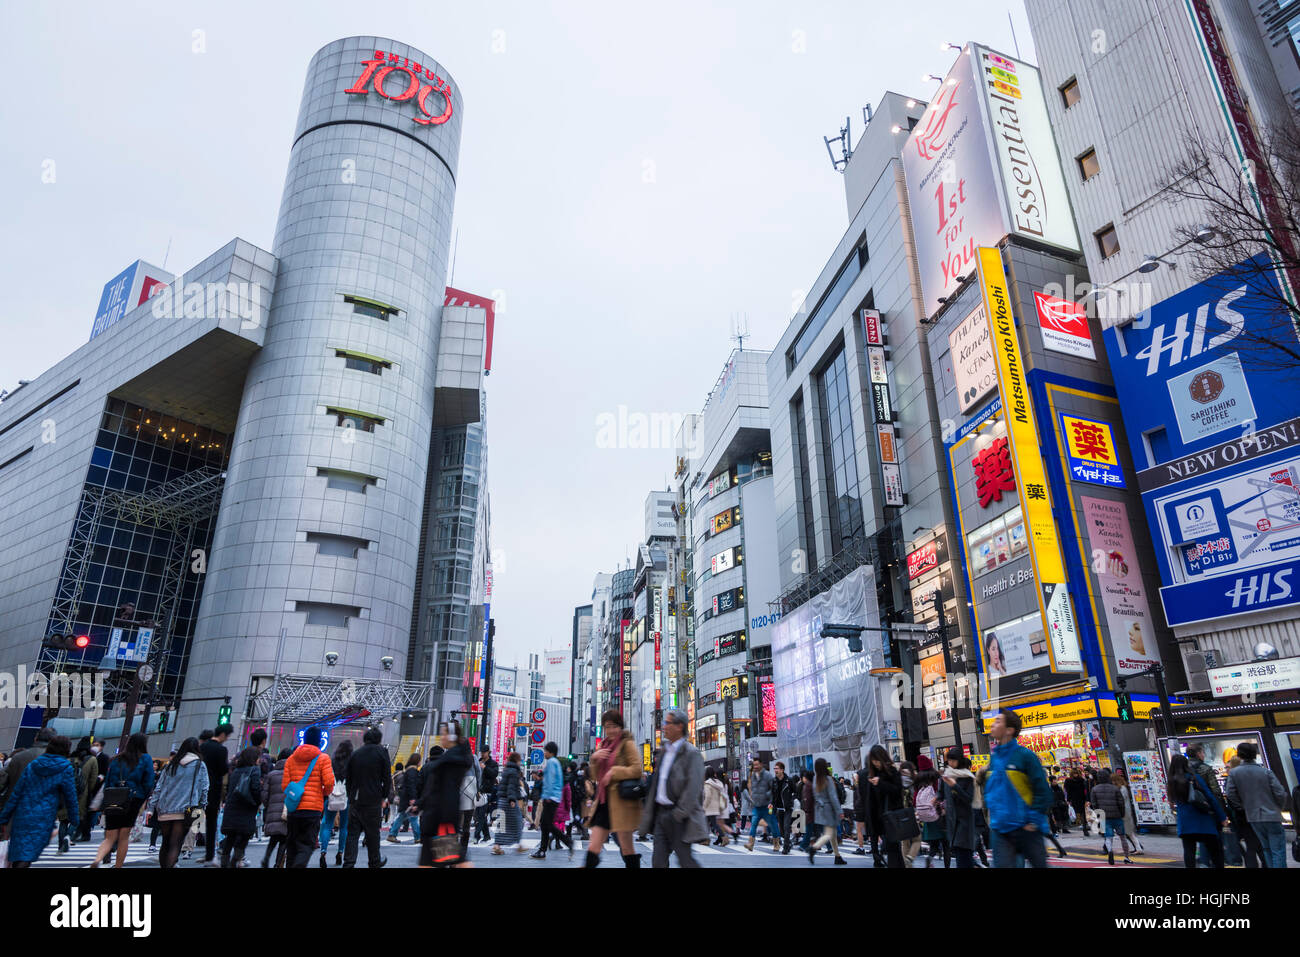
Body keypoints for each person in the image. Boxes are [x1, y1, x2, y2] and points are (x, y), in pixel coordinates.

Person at [985, 709, 1053, 868]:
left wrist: (1033, 820)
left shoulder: (1025, 756)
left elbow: (1043, 791)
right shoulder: (993, 759)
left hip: (1027, 828)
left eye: (998, 721)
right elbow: (990, 793)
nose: (992, 724)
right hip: (1000, 830)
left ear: (1009, 730)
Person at [639, 708, 706, 868]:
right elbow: (657, 784)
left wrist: (679, 813)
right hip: (662, 814)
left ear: (680, 727)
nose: (664, 726)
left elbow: (694, 788)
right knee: (658, 861)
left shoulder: (692, 753)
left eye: (668, 723)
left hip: (679, 817)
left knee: (685, 860)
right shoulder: (664, 751)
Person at [0, 734, 78, 867]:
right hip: (44, 816)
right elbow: (70, 795)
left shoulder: (33, 765)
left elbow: (17, 792)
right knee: (28, 853)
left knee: (19, 853)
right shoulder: (65, 768)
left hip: (23, 813)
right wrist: (74, 818)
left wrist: (5, 817)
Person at [583, 709, 643, 868]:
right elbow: (596, 777)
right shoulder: (603, 745)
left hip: (622, 804)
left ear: (620, 727)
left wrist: (615, 772)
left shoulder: (626, 744)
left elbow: (637, 769)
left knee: (627, 848)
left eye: (614, 726)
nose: (611, 730)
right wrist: (594, 759)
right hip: (603, 803)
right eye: (607, 727)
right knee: (593, 847)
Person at [89, 733, 154, 869]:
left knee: (110, 836)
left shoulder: (116, 759)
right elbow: (148, 782)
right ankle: (118, 866)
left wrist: (107, 799)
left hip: (114, 798)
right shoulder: (145, 759)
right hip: (133, 800)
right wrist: (142, 798)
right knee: (124, 837)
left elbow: (108, 781)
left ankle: (97, 859)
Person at [1224, 740, 1290, 868]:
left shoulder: (1234, 773)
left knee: (1266, 848)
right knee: (1278, 849)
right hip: (1271, 814)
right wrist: (1278, 807)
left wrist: (1243, 805)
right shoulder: (1265, 772)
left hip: (1252, 815)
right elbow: (1280, 793)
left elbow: (1230, 794)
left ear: (1240, 755)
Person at [146, 737, 209, 869]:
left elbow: (159, 787)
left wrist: (151, 807)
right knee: (176, 844)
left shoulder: (171, 765)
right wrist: (202, 806)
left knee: (165, 843)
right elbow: (204, 788)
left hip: (165, 808)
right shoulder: (199, 765)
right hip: (186, 810)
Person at [417, 721, 472, 867]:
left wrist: (443, 818)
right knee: (454, 860)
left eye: (443, 734)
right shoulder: (453, 758)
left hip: (440, 817)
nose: (441, 737)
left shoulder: (450, 761)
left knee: (455, 861)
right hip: (441, 816)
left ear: (452, 736)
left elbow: (445, 790)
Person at [282, 726, 335, 868]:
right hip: (313, 809)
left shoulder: (291, 759)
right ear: (319, 740)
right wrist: (323, 793)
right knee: (308, 844)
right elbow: (329, 783)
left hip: (294, 808)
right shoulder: (323, 758)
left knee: (292, 845)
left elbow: (285, 785)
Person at [1168, 752, 1227, 868]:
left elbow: (1172, 803)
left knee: (1189, 851)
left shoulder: (1171, 783)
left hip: (1185, 822)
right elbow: (1210, 797)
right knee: (1215, 851)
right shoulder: (1194, 778)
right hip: (1202, 819)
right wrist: (1222, 816)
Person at [345, 725, 392, 868]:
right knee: (372, 833)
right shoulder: (382, 752)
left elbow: (349, 778)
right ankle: (374, 861)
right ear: (378, 739)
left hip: (356, 799)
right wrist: (384, 796)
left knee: (352, 834)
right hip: (373, 799)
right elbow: (387, 777)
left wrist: (351, 796)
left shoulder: (356, 754)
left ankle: (349, 863)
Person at [220, 746, 262, 868]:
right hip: (246, 809)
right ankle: (234, 863)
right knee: (243, 840)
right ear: (254, 758)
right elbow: (255, 789)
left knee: (230, 838)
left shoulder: (235, 771)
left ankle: (224, 864)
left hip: (232, 808)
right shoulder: (254, 770)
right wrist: (258, 801)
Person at [532, 742, 575, 859]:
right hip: (554, 797)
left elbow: (549, 781)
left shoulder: (551, 763)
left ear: (551, 752)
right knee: (546, 825)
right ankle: (542, 850)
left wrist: (547, 796)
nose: (544, 753)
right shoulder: (556, 763)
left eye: (545, 751)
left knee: (547, 825)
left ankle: (567, 841)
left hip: (550, 798)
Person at [200, 724, 232, 866]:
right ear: (224, 735)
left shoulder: (202, 747)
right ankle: (209, 855)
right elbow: (223, 769)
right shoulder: (221, 749)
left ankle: (175, 854)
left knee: (191, 822)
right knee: (211, 823)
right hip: (213, 790)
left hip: (198, 790)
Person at [1085, 769, 1132, 865]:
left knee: (1108, 837)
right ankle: (1126, 857)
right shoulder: (1115, 788)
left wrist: (1098, 815)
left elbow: (1094, 804)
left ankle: (1110, 851)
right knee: (1122, 837)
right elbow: (1121, 802)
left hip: (1104, 817)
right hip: (1117, 815)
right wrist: (1121, 813)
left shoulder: (1095, 789)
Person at [940, 748, 977, 869]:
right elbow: (941, 792)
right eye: (949, 760)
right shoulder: (947, 775)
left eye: (953, 760)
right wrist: (936, 798)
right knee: (961, 853)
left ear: (959, 760)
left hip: (964, 820)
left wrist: (954, 786)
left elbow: (969, 798)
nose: (950, 763)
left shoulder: (967, 776)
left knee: (963, 852)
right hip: (952, 820)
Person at [318, 739, 352, 868]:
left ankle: (323, 852)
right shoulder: (351, 763)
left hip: (331, 795)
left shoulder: (331, 762)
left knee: (327, 824)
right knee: (344, 826)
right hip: (346, 796)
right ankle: (340, 853)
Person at [808, 757, 846, 865]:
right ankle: (814, 848)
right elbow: (833, 797)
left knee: (832, 834)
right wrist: (839, 811)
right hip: (829, 809)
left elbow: (815, 795)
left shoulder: (815, 779)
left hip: (820, 809)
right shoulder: (828, 779)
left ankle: (837, 856)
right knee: (829, 834)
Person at [260, 748, 291, 867]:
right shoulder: (292, 774)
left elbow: (264, 795)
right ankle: (278, 863)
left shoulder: (271, 774)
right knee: (284, 839)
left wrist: (269, 806)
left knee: (273, 838)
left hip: (272, 810)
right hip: (286, 811)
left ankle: (266, 857)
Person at [492, 751, 526, 854]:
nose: (520, 762)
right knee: (517, 822)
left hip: (502, 800)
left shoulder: (507, 770)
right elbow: (511, 786)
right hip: (509, 801)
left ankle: (497, 846)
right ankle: (519, 845)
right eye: (520, 760)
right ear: (516, 760)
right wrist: (512, 799)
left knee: (501, 824)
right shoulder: (513, 771)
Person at [745, 758, 781, 852]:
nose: (755, 767)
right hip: (757, 806)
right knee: (753, 824)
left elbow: (774, 788)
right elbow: (752, 788)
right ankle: (750, 844)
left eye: (757, 765)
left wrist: (767, 795)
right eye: (754, 765)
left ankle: (776, 843)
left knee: (772, 824)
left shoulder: (768, 775)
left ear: (761, 764)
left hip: (767, 805)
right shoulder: (753, 776)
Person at [915, 769, 949, 867]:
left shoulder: (922, 789)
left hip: (928, 820)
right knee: (946, 845)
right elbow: (941, 801)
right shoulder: (935, 787)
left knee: (934, 846)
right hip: (940, 819)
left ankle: (929, 858)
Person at [390, 752, 422, 844]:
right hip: (409, 799)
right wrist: (413, 798)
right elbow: (412, 785)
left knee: (402, 817)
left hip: (405, 799)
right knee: (413, 818)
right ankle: (417, 837)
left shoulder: (409, 770)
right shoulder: (412, 771)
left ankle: (392, 834)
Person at [1112, 769, 1144, 856]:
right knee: (1128, 832)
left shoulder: (1121, 789)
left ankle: (1138, 848)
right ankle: (1137, 848)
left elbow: (1120, 800)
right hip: (1125, 812)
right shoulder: (1123, 788)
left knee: (1129, 833)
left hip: (1124, 813)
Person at [702, 767, 731, 845]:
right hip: (717, 805)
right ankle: (706, 839)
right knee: (709, 823)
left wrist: (704, 806)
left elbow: (707, 796)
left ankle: (723, 838)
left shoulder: (707, 783)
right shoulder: (718, 783)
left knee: (712, 823)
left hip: (709, 807)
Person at [771, 761, 796, 854]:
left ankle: (786, 847)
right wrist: (771, 803)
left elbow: (796, 792)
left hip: (787, 808)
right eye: (774, 769)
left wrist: (791, 800)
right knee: (781, 831)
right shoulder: (774, 781)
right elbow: (772, 795)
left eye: (777, 769)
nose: (775, 770)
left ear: (782, 770)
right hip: (778, 809)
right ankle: (788, 843)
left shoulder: (789, 780)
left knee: (786, 827)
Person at [1064, 768, 1090, 836]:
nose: (1076, 775)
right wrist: (1069, 800)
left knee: (1082, 813)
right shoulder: (1068, 781)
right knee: (1078, 813)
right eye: (1074, 773)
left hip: (1081, 798)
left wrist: (1087, 799)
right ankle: (1082, 825)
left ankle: (1084, 827)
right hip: (1074, 799)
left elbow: (1085, 790)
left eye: (1077, 773)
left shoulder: (1081, 780)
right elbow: (1068, 791)